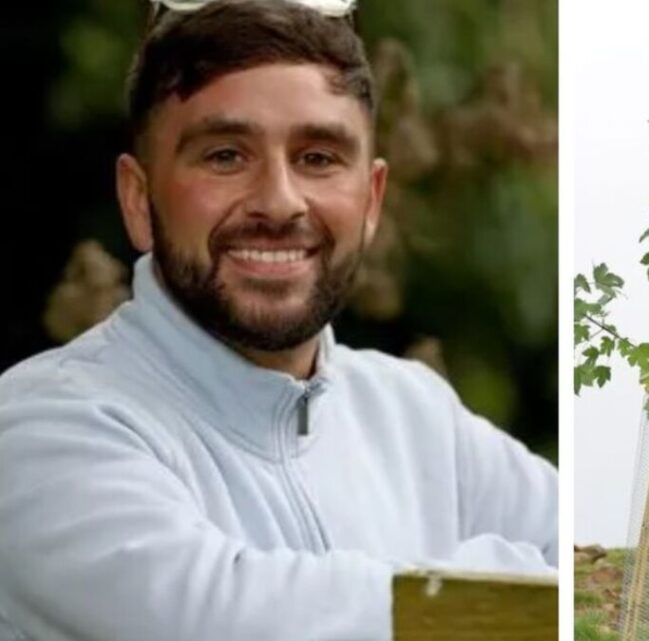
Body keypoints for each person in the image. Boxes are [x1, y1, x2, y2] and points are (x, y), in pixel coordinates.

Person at [0, 1, 558, 640]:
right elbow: (234, 626)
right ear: (138, 199)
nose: (278, 202)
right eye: (225, 156)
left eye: (318, 158)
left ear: (371, 200)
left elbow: (606, 562)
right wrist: (509, 595)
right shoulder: (41, 429)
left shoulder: (414, 413)